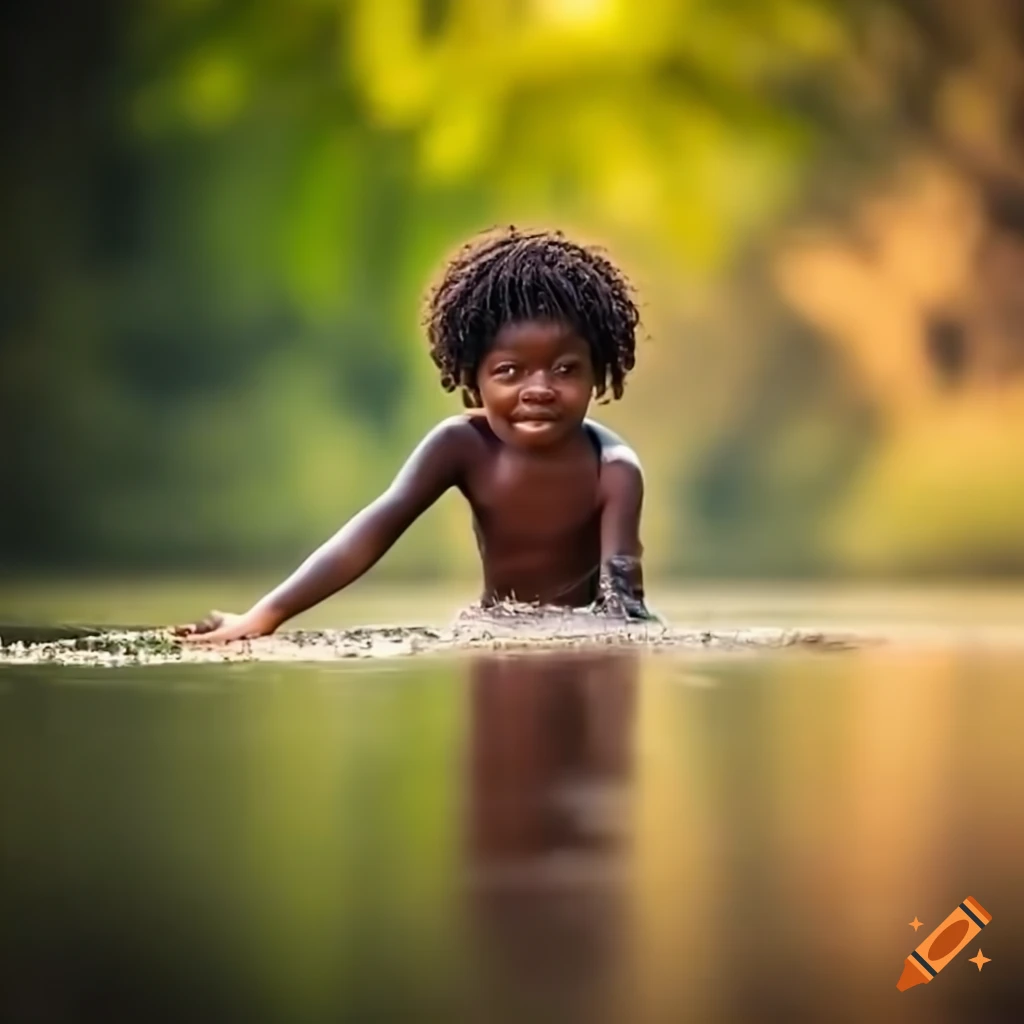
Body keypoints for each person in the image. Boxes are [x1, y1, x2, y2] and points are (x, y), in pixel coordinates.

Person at [178, 226, 652, 642]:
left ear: (599, 373)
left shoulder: (613, 471)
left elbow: (622, 604)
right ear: (472, 378)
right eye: (510, 371)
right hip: (494, 635)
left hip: (583, 647)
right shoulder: (461, 446)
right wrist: (263, 616)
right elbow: (369, 532)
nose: (539, 390)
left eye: (565, 369)